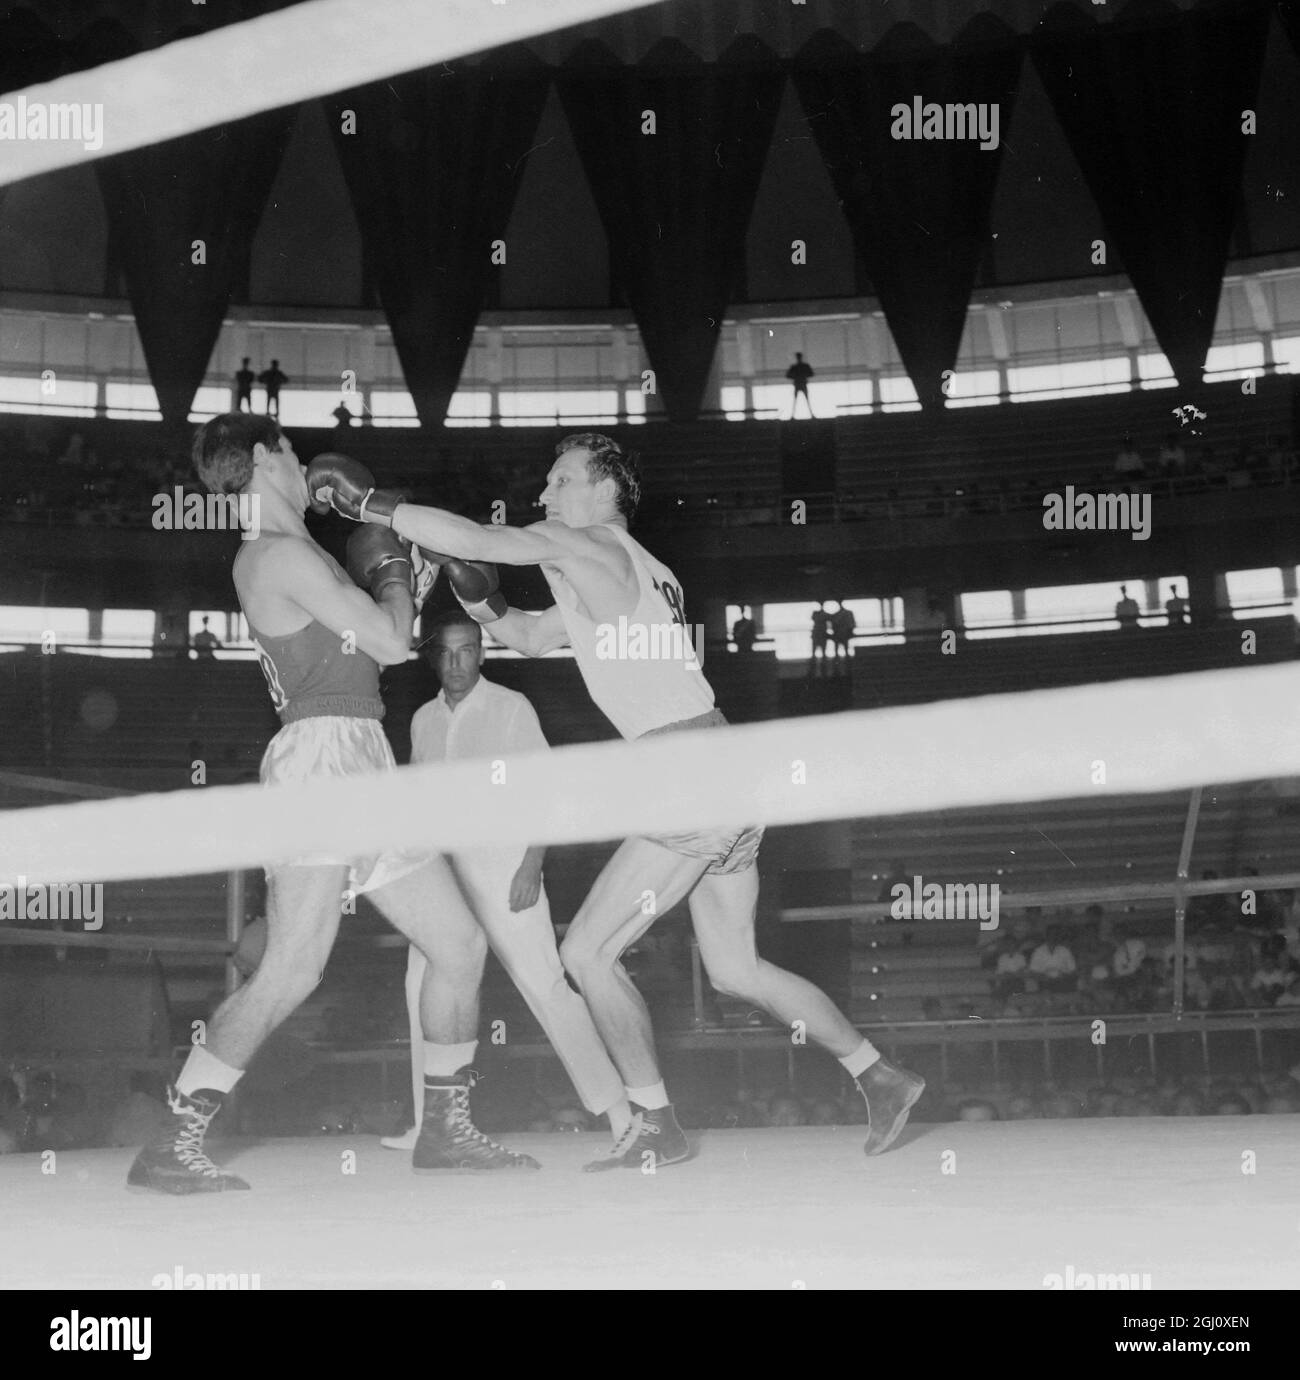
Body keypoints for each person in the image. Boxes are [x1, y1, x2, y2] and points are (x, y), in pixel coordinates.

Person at [308, 433, 925, 1170]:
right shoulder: (628, 570)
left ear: (605, 491)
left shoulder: (592, 544)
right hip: (718, 763)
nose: (544, 494)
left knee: (586, 951)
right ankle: (879, 1075)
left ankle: (656, 1123)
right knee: (735, 968)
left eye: (560, 479)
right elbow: (528, 635)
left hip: (687, 772)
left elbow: (482, 537)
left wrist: (371, 507)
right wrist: (464, 577)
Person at [128, 414, 537, 1195]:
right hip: (320, 761)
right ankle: (171, 1140)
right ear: (260, 458)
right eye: (287, 448)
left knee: (458, 945)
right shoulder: (274, 555)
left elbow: (382, 637)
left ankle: (446, 1130)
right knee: (291, 968)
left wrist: (404, 584)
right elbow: (388, 645)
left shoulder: (301, 553)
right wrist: (391, 580)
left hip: (361, 754)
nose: (302, 460)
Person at [380, 611, 631, 1152]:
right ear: (432, 658)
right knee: (419, 988)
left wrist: (531, 865)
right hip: (441, 874)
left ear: (482, 652)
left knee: (545, 984)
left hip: (503, 867)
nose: (456, 663)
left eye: (467, 650)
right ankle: (432, 1123)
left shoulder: (510, 707)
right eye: (445, 652)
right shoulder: (422, 719)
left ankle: (619, 1113)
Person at [785, 353, 814, 419]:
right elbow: (811, 374)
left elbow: (788, 375)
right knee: (805, 400)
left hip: (798, 384)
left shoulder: (795, 367)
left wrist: (796, 376)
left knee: (797, 400)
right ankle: (811, 414)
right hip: (802, 384)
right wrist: (803, 375)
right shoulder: (803, 366)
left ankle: (792, 415)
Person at [830, 598, 855, 672]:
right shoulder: (847, 613)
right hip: (844, 634)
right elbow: (851, 624)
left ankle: (838, 669)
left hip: (839, 635)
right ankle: (847, 668)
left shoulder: (836, 614)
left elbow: (833, 625)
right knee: (845, 652)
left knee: (838, 652)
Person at [809, 601, 830, 674]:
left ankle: (814, 670)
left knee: (815, 653)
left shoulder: (816, 614)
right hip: (821, 635)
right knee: (821, 653)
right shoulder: (825, 614)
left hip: (818, 634)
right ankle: (823, 670)